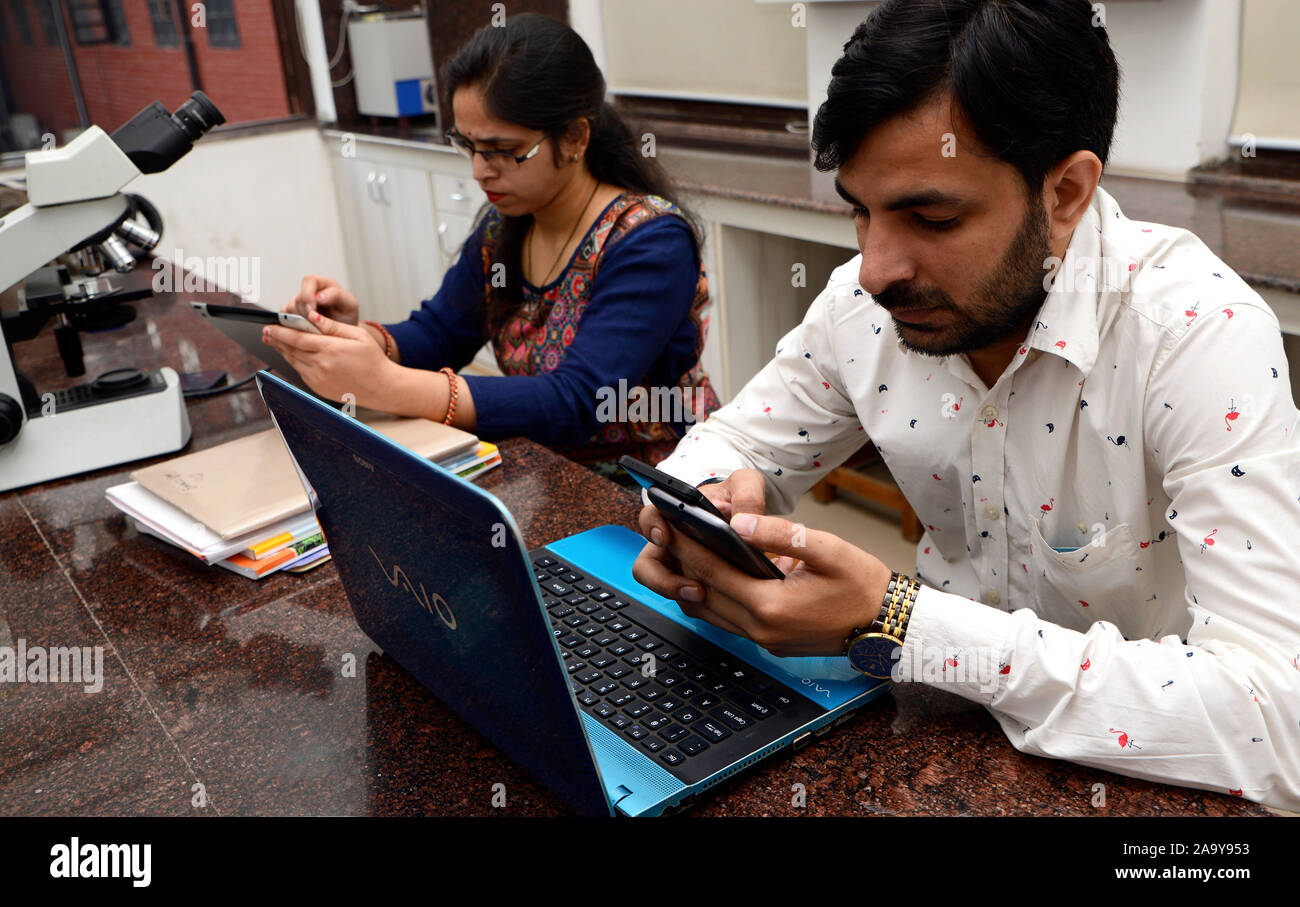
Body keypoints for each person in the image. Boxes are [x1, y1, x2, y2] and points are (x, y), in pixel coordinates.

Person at [632, 0, 1300, 812]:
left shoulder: (1195, 334)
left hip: (1151, 785)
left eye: (932, 216)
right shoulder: (859, 307)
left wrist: (900, 622)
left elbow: (1275, 718)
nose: (874, 267)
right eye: (860, 209)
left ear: (1066, 191)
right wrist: (701, 509)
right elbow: (732, 440)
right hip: (938, 745)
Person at [265, 13, 719, 481]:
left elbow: (580, 401)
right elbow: (442, 333)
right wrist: (358, 339)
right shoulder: (506, 224)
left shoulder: (650, 242)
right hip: (545, 466)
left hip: (653, 483)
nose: (481, 170)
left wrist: (387, 384)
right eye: (469, 146)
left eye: (504, 150)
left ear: (576, 138)